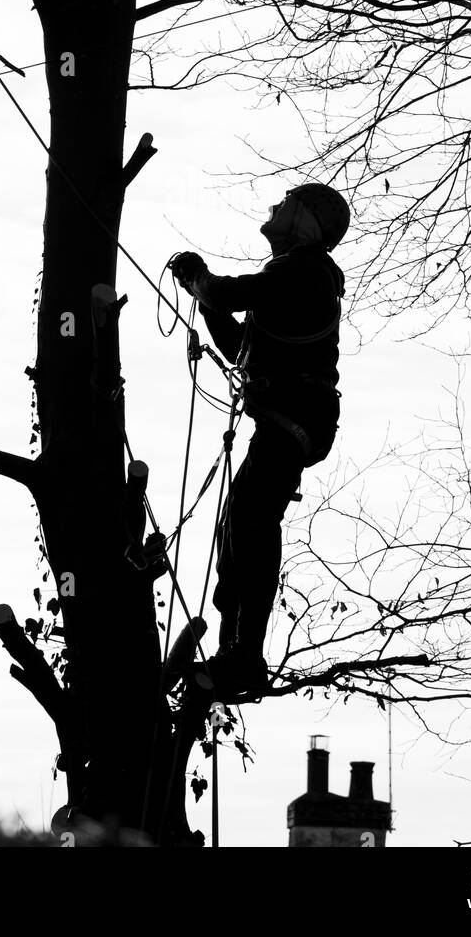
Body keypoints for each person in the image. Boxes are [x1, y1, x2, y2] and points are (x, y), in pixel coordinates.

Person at [171, 182, 350, 697]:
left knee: (250, 520)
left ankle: (245, 654)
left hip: (294, 418)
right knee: (237, 524)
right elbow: (240, 347)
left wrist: (200, 280)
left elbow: (227, 293)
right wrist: (203, 298)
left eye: (287, 201)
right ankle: (233, 649)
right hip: (290, 418)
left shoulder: (305, 270)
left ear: (309, 223)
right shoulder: (293, 282)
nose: (276, 206)